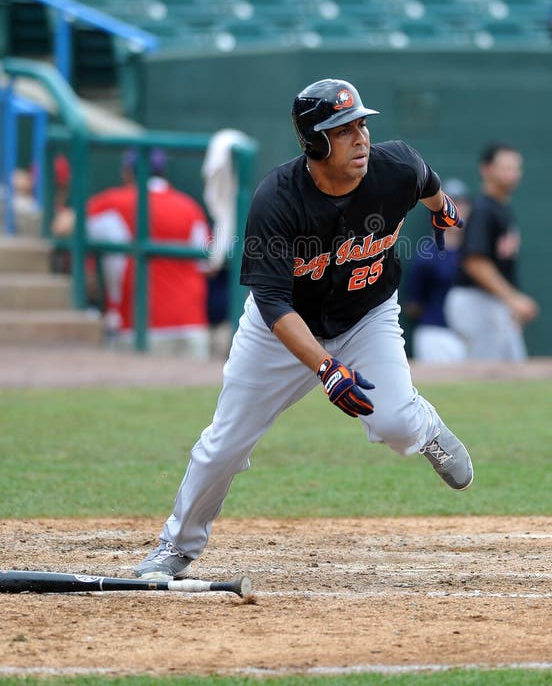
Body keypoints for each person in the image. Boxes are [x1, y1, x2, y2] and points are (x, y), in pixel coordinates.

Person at [134, 78, 473, 580]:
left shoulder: (394, 166)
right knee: (224, 444)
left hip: (367, 316)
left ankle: (425, 426)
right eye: (344, 129)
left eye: (361, 124)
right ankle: (176, 547)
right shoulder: (277, 198)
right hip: (283, 327)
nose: (361, 138)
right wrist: (326, 367)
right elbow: (271, 301)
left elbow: (426, 181)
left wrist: (441, 208)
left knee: (398, 427)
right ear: (315, 142)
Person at [53, 148, 211, 358]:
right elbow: (209, 266)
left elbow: (62, 227)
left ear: (127, 172)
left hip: (135, 328)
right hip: (192, 325)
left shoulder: (115, 202)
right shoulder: (190, 207)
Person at [444, 143, 538, 361]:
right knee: (488, 372)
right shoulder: (483, 209)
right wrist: (513, 299)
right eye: (505, 168)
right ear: (486, 169)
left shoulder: (501, 209)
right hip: (475, 299)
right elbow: (474, 261)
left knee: (513, 366)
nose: (512, 174)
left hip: (491, 302)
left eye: (515, 168)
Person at [404, 178, 471, 362]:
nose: (458, 209)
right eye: (452, 204)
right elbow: (414, 306)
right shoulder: (426, 256)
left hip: (471, 334)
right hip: (436, 333)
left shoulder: (476, 254)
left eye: (462, 204)